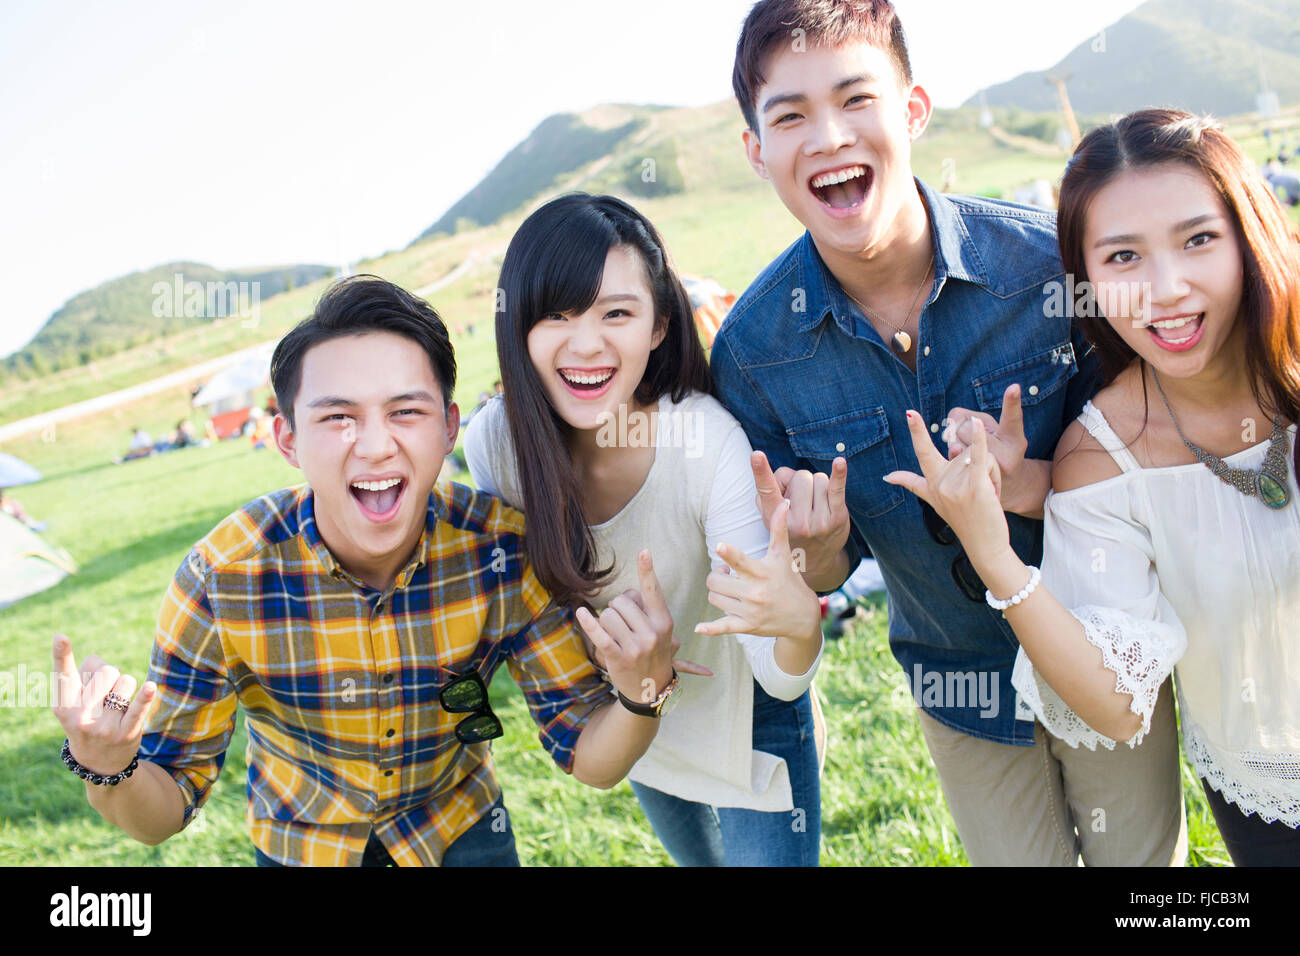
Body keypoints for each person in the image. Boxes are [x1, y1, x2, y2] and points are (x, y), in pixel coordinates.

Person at [710, 0, 1186, 865]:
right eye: (789, 116)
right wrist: (819, 546)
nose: (827, 136)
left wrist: (1033, 474)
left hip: (1099, 643)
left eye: (856, 99)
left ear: (913, 110)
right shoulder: (751, 354)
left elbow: (1148, 454)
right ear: (755, 151)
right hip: (956, 683)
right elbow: (817, 571)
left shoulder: (1050, 269)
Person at [50, 275, 679, 867]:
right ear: (288, 440)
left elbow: (590, 757)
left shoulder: (504, 550)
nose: (375, 444)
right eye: (337, 417)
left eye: (406, 411)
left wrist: (642, 693)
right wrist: (109, 766)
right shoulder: (221, 579)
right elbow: (161, 813)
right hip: (301, 842)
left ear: (449, 427)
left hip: (459, 828)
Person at [885, 109, 1300, 866]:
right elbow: (1113, 704)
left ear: (1250, 233)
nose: (1165, 290)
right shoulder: (1102, 457)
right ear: (1085, 282)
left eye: (1198, 239)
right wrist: (991, 549)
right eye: (1122, 258)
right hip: (1270, 799)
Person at [464, 193, 825, 866]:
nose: (587, 343)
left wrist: (800, 622)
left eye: (617, 313)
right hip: (635, 714)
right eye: (557, 315)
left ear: (659, 325)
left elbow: (779, 677)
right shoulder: (497, 443)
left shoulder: (705, 441)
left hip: (747, 714)